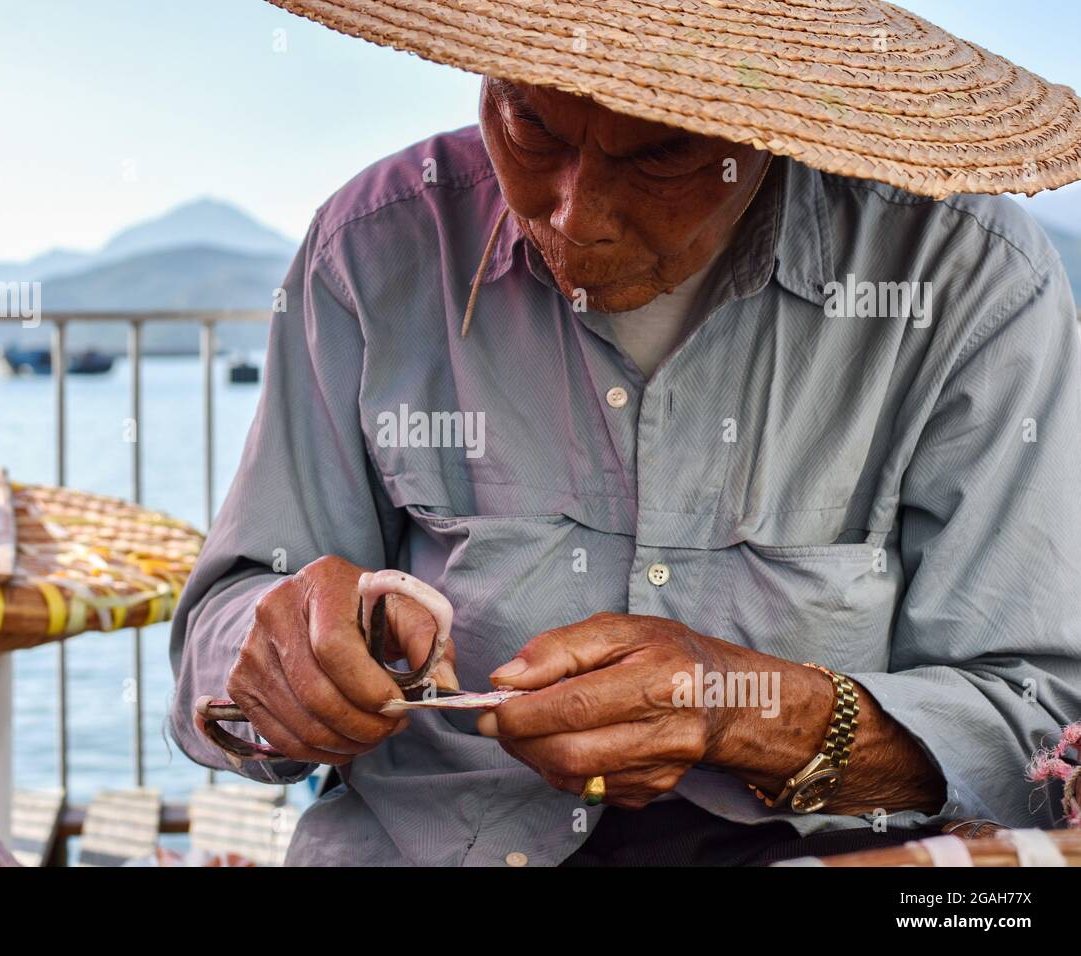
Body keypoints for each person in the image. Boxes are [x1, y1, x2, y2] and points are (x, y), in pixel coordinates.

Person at [169, 0, 1081, 865]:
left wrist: (761, 716)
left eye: (663, 156)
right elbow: (219, 637)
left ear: (770, 125)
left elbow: (1042, 728)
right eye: (532, 126)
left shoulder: (964, 280)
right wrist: (287, 653)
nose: (577, 214)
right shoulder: (372, 247)